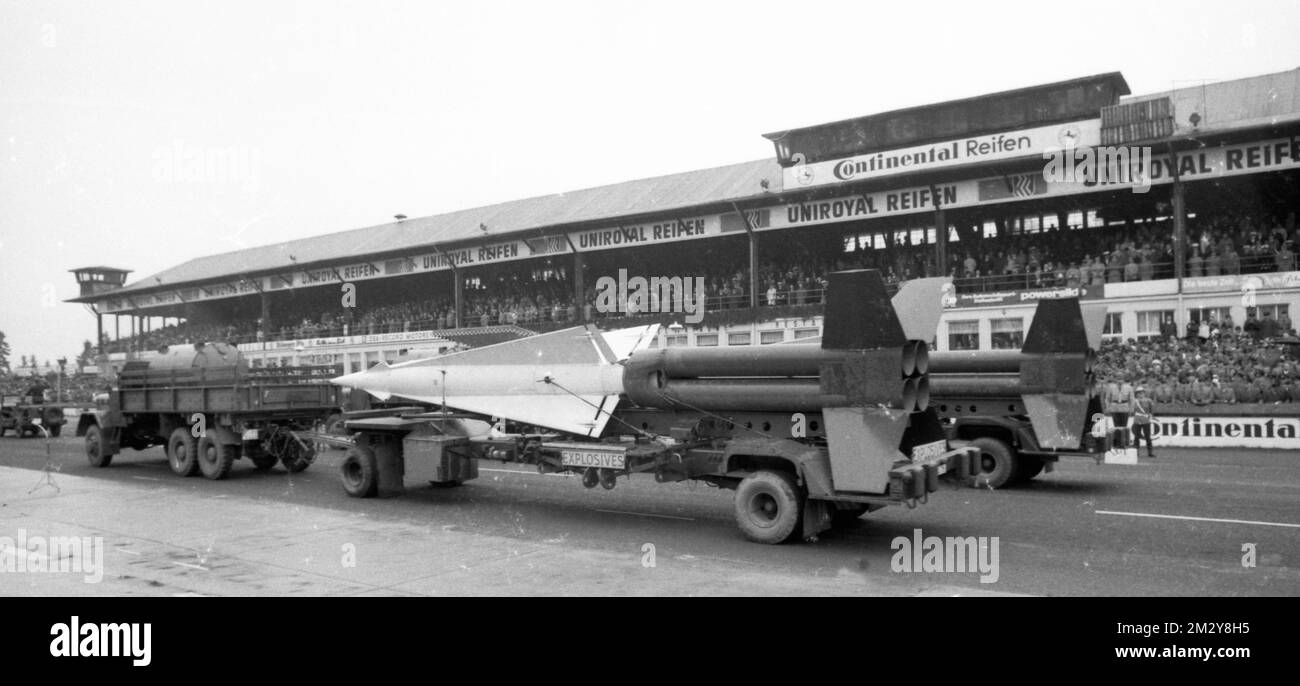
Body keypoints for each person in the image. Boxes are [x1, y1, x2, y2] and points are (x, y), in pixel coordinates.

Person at [1131, 386, 1156, 458]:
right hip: (1137, 420)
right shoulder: (1134, 401)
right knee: (1136, 437)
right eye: (1138, 393)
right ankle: (1135, 452)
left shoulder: (1149, 400)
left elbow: (1152, 410)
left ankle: (1150, 452)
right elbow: (1132, 410)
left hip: (1145, 420)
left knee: (1148, 436)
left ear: (1144, 393)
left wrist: (1150, 415)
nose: (1140, 394)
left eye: (1141, 392)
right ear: (1136, 394)